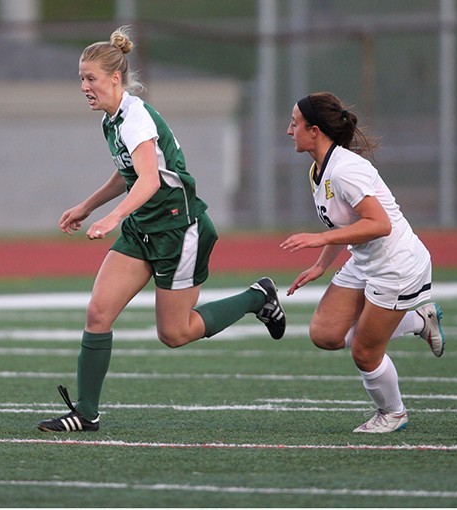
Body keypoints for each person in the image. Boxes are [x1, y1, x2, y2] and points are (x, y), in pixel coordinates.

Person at [37, 26, 286, 433]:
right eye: (81, 78)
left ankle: (257, 297)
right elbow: (128, 173)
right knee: (98, 312)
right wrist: (86, 206)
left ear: (115, 78)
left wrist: (112, 217)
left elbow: (150, 180)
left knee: (174, 333)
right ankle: (86, 412)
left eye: (90, 78)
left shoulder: (134, 118)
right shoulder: (111, 119)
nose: (83, 86)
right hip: (143, 228)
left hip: (179, 229)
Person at [280, 92, 446, 433]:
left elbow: (379, 224)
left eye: (294, 124)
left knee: (364, 352)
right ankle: (419, 321)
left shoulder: (345, 170)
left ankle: (393, 413)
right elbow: (344, 224)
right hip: (365, 258)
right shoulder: (318, 169)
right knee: (324, 334)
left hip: (396, 265)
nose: (288, 130)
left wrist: (319, 240)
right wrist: (321, 265)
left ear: (314, 131)